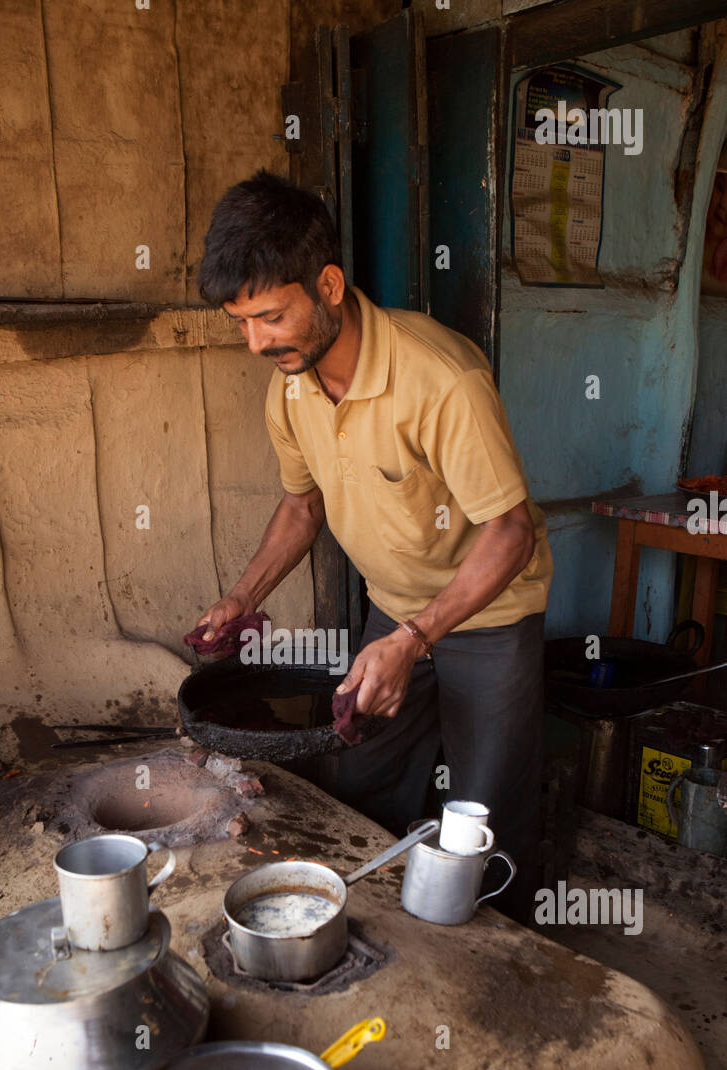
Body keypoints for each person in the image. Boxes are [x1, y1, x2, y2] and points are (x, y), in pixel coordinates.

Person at [193, 170, 552, 924]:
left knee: (480, 823)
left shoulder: (441, 379)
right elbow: (302, 504)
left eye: (269, 316)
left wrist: (419, 637)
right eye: (241, 323)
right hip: (393, 615)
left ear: (327, 284)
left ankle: (506, 971)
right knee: (361, 788)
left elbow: (511, 531)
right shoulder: (290, 389)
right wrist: (241, 598)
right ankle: (386, 943)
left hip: (486, 622)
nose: (256, 342)